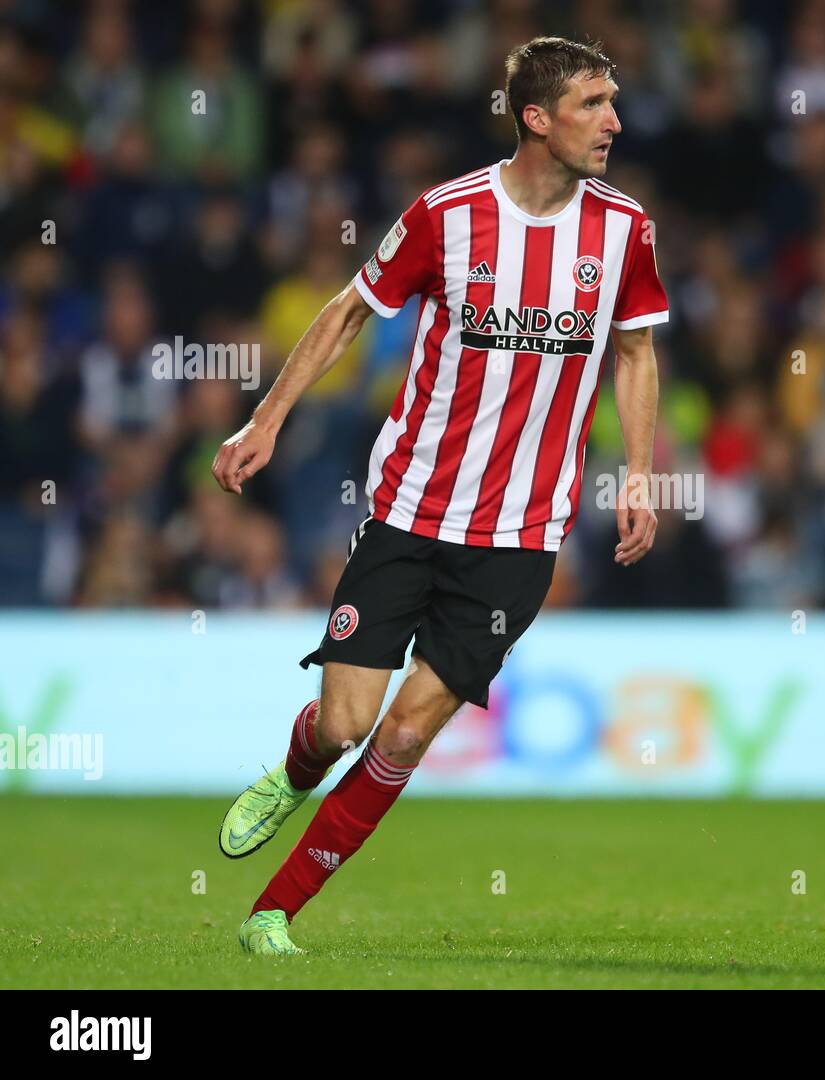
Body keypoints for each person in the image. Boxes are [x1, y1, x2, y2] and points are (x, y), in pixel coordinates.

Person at [210, 37, 668, 956]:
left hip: (520, 537)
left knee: (407, 736)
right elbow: (347, 310)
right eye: (594, 104)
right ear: (536, 119)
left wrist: (642, 474)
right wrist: (265, 421)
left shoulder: (624, 229)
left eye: (613, 102)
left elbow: (635, 351)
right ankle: (297, 766)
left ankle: (273, 911)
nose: (616, 121)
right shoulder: (448, 215)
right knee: (344, 725)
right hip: (411, 510)